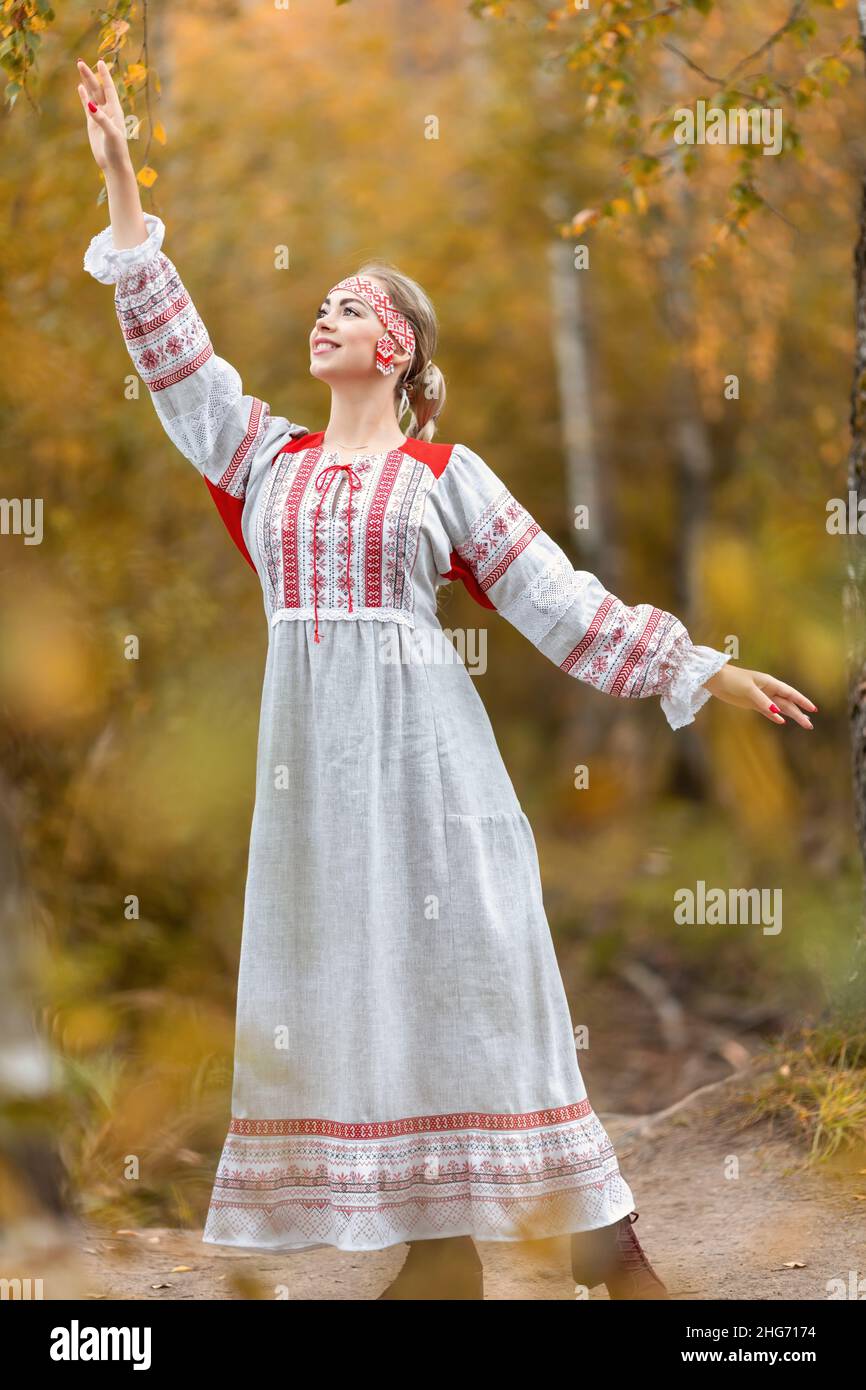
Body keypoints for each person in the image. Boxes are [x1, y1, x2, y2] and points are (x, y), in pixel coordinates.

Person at [77, 57, 817, 1301]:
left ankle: (603, 1249)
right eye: (316, 305)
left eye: (348, 308)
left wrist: (702, 667)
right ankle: (428, 1259)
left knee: (479, 979)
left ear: (398, 342)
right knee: (363, 989)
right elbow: (176, 362)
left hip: (433, 770)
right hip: (316, 786)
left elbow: (557, 604)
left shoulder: (443, 476)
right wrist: (116, 174)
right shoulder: (264, 458)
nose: (321, 318)